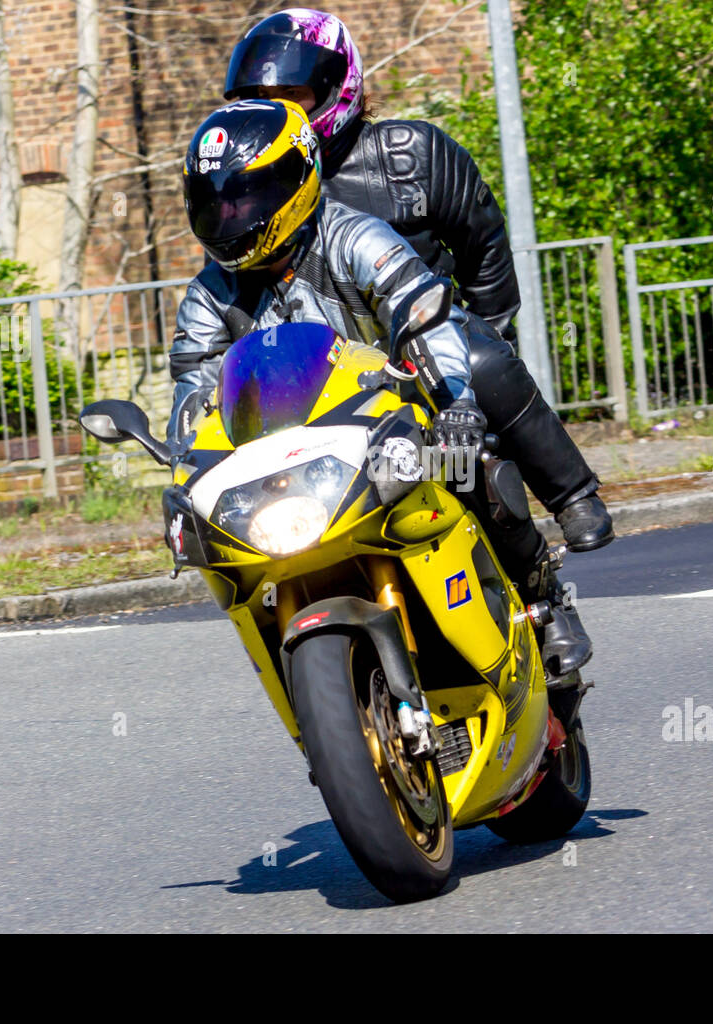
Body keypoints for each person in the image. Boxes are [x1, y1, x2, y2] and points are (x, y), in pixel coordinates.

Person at [169, 98, 592, 677]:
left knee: (474, 467)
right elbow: (195, 386)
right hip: (291, 451)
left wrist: (457, 404)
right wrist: (183, 463)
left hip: (395, 416)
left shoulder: (355, 237)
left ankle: (546, 604)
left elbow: (424, 310)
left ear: (295, 182)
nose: (231, 215)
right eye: (216, 201)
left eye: (245, 196)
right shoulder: (209, 296)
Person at [221, 8, 614, 555]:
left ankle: (571, 495)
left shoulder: (414, 153)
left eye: (293, 95)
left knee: (479, 375)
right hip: (322, 370)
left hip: (422, 345)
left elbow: (484, 243)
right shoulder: (249, 186)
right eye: (262, 100)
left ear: (338, 87)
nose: (279, 112)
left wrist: (486, 329)